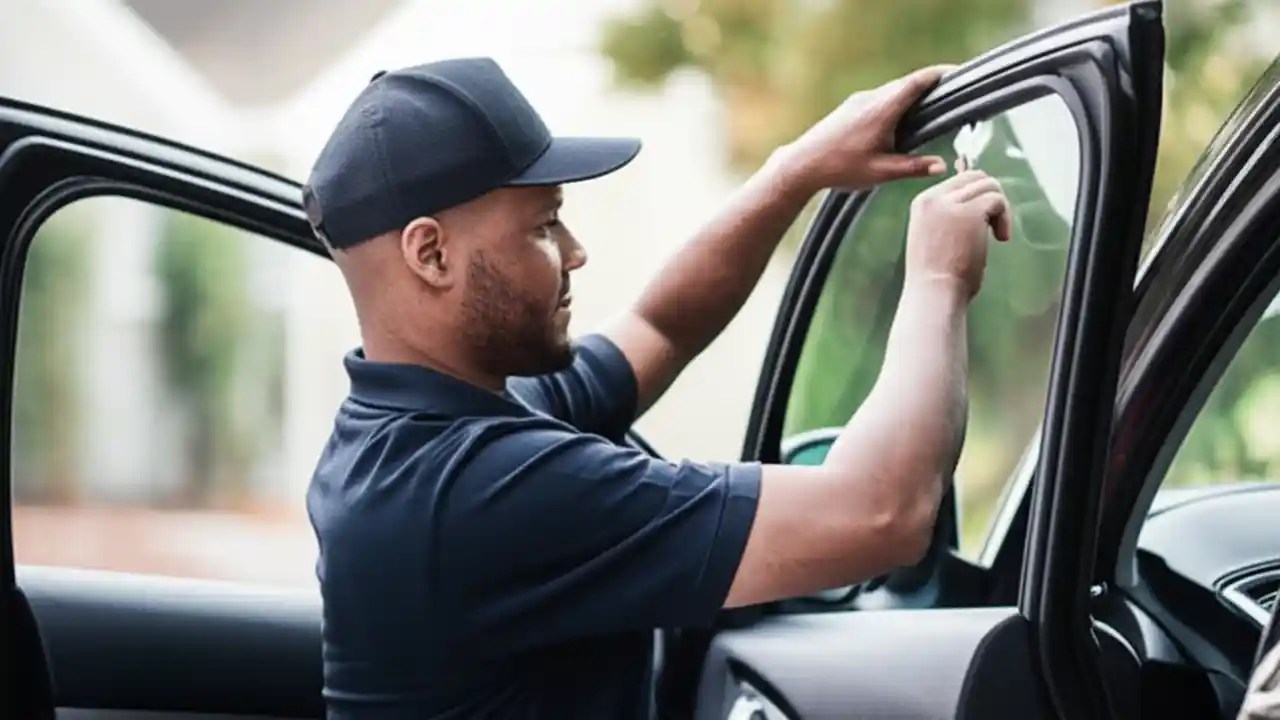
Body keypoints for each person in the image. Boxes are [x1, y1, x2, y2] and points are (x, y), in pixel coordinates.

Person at [303, 57, 1011, 719]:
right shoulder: (470, 491)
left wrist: (797, 171)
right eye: (545, 225)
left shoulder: (413, 428)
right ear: (431, 254)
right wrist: (939, 280)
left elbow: (660, 325)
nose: (576, 251)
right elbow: (882, 514)